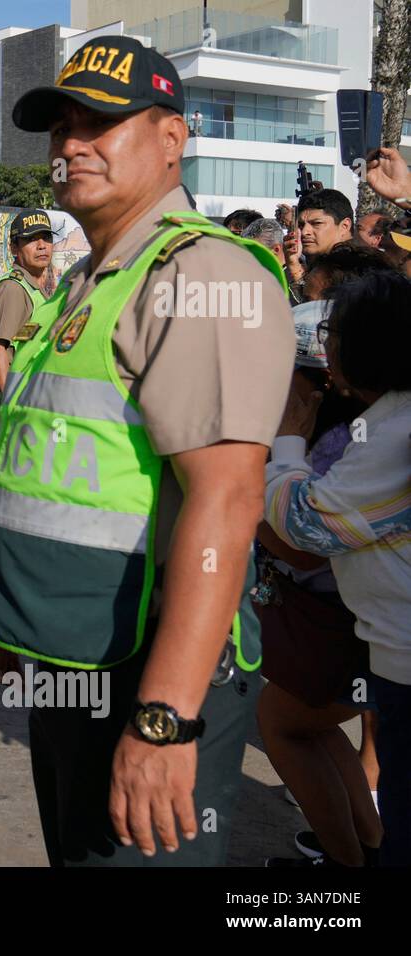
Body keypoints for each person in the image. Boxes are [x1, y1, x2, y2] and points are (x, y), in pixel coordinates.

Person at [0, 35, 295, 866]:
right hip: (70, 657)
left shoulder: (201, 273)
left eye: (102, 123)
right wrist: (11, 617)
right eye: (60, 127)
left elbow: (227, 498)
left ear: (171, 139)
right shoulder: (92, 281)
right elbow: (56, 463)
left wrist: (163, 719)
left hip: (150, 674)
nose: (72, 144)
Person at [262, 271, 411, 867]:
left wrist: (285, 445)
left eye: (337, 334)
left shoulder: (393, 437)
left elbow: (305, 528)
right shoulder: (388, 422)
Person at [0, 209, 53, 430]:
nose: (41, 245)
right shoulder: (12, 289)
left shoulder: (37, 288)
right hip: (22, 402)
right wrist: (13, 402)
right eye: (31, 239)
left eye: (46, 238)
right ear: (14, 248)